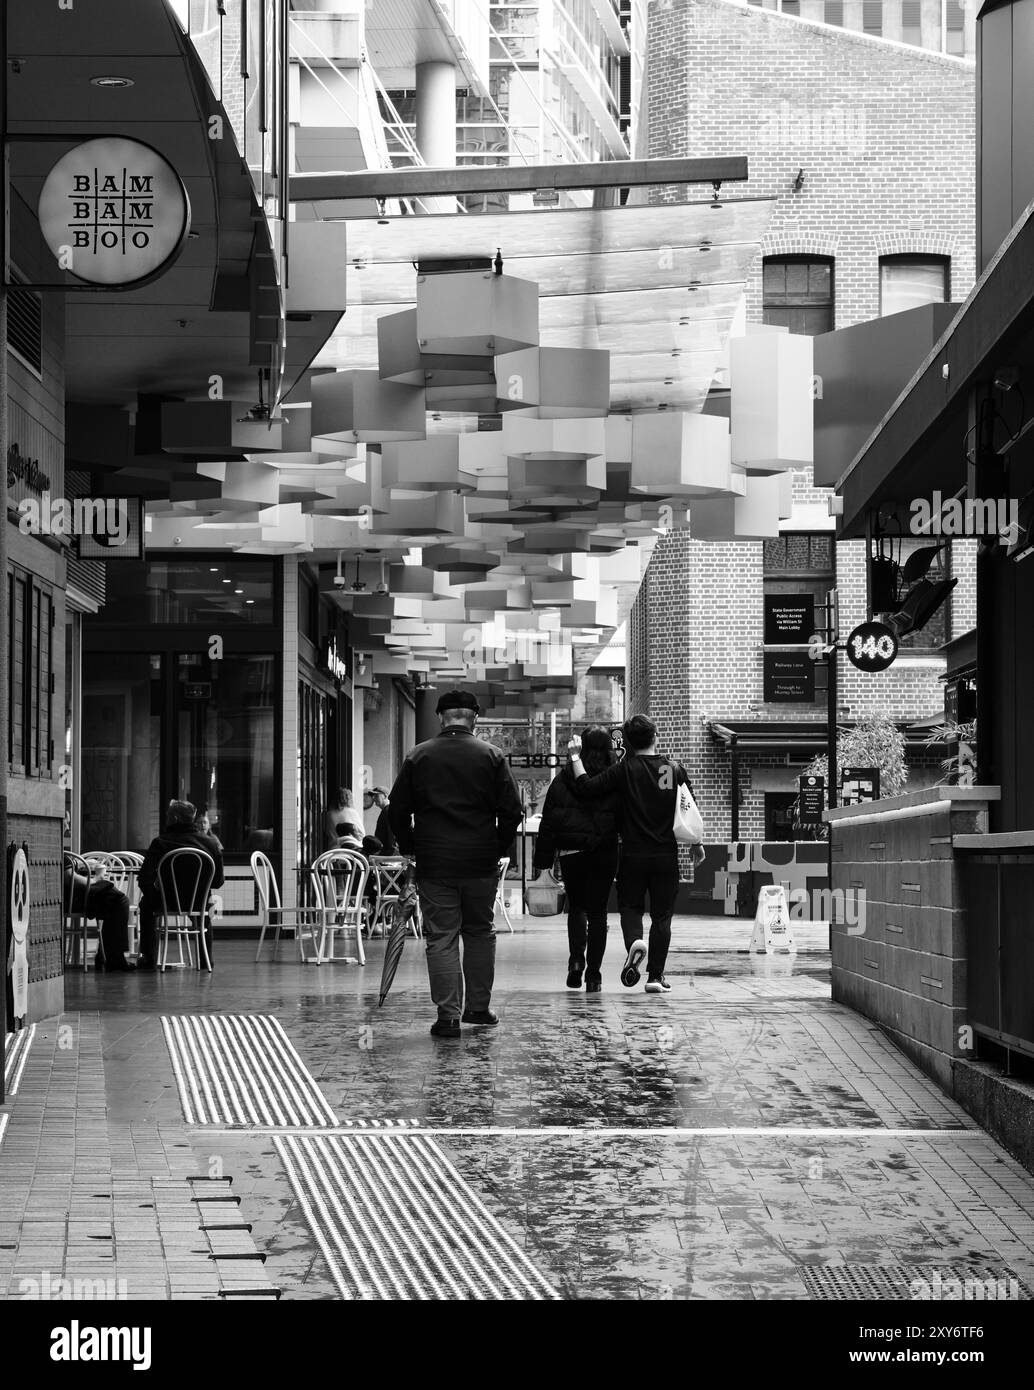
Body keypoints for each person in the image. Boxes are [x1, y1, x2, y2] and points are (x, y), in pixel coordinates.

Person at [388, 688, 522, 1038]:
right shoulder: (491, 756)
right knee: (479, 932)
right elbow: (512, 810)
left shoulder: (419, 756)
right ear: (474, 718)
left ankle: (448, 1017)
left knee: (442, 937)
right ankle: (477, 1009)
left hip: (435, 862)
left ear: (440, 717)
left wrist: (411, 847)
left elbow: (397, 810)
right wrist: (497, 846)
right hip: (480, 861)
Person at [569, 714, 702, 996]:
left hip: (632, 854)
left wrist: (574, 757)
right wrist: (696, 843)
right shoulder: (674, 769)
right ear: (656, 738)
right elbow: (689, 809)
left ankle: (634, 944)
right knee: (662, 916)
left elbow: (587, 788)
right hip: (666, 854)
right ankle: (655, 976)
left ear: (628, 742)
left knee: (630, 908)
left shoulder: (624, 769)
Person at [533, 726, 620, 993]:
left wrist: (543, 859)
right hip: (604, 852)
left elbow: (549, 821)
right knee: (598, 913)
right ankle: (594, 975)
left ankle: (575, 961)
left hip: (572, 854)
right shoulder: (614, 779)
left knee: (577, 908)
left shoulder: (562, 780)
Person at [136, 799, 225, 970]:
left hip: (166, 900)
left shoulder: (160, 843)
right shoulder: (210, 843)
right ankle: (206, 960)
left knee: (146, 905)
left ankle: (148, 959)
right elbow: (218, 881)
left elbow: (144, 878)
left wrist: (156, 896)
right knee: (204, 912)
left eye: (168, 815)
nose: (166, 818)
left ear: (175, 818)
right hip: (197, 901)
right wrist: (200, 890)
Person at [63, 858, 135, 972]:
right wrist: (96, 879)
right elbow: (69, 877)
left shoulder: (56, 852)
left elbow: (66, 867)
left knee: (113, 900)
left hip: (72, 896)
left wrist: (79, 863)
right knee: (119, 901)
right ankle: (112, 957)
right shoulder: (56, 850)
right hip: (70, 899)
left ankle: (107, 954)